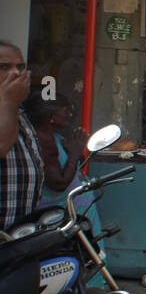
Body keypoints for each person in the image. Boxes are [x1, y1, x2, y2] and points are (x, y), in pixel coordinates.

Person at [26, 94, 98, 234]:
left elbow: (75, 167)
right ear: (51, 115)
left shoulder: (56, 138)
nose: (70, 115)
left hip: (76, 214)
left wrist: (75, 152)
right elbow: (59, 182)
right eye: (66, 110)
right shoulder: (42, 139)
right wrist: (74, 153)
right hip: (63, 218)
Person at [0, 42, 44, 231]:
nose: (16, 73)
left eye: (20, 67)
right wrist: (9, 100)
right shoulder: (11, 104)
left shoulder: (20, 112)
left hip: (17, 237)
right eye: (4, 67)